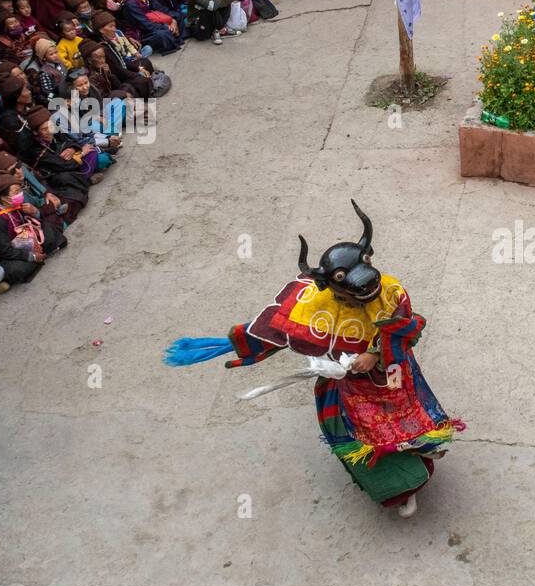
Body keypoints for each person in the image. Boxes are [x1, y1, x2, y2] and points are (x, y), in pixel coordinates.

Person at [165, 202, 463, 518]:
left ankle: (417, 447)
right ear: (330, 286)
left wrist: (374, 353)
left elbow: (410, 325)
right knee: (355, 431)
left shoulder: (390, 290)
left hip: (393, 373)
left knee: (408, 411)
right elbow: (278, 326)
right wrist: (233, 343)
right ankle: (395, 485)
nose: (368, 285)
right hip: (350, 387)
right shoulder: (313, 306)